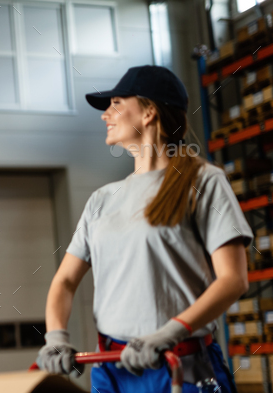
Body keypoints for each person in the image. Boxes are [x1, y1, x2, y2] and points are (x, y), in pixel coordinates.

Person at [36, 66, 252, 392]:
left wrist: (169, 333)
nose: (105, 115)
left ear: (149, 111)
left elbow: (233, 279)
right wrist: (55, 337)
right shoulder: (102, 199)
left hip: (179, 366)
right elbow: (65, 281)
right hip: (111, 371)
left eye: (116, 103)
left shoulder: (203, 181)